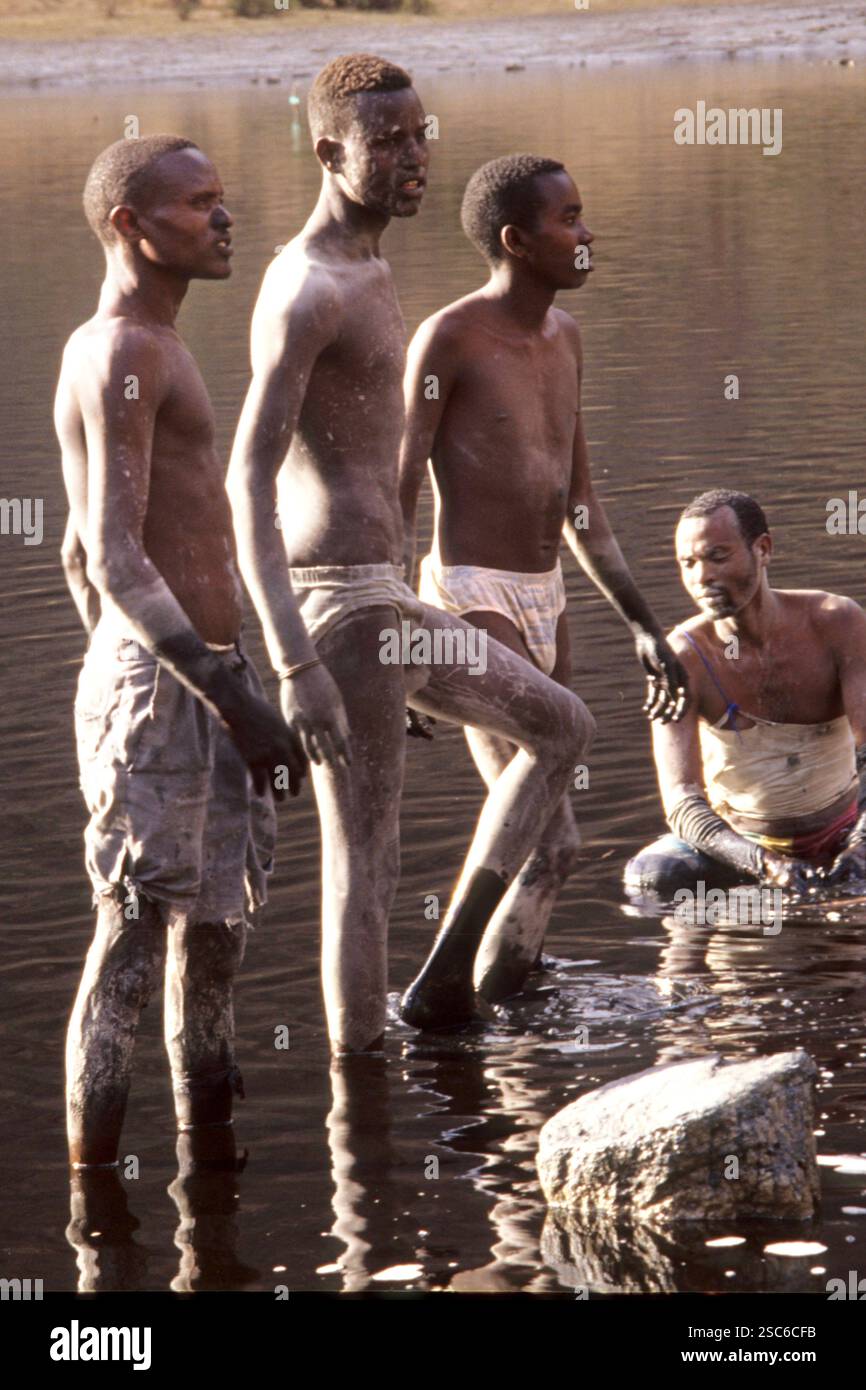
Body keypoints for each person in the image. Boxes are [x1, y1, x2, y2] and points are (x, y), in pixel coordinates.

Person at [227, 54, 602, 1051]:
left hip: (387, 604)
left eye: (418, 136)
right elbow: (244, 480)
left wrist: (398, 594)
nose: (411, 158)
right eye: (385, 142)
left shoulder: (372, 266)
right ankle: (360, 1089)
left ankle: (445, 981)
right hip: (335, 614)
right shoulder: (307, 289)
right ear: (326, 151)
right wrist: (293, 663)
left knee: (560, 730)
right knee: (368, 860)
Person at [55, 134, 333, 1169]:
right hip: (175, 685)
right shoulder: (120, 350)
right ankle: (95, 1205)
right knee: (131, 936)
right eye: (199, 204)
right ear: (130, 224)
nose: (225, 219)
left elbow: (80, 556)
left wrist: (228, 682)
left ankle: (208, 1189)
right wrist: (218, 693)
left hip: (200, 677)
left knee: (214, 938)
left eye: (223, 198)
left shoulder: (156, 346)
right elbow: (120, 555)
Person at [399, 154, 689, 998]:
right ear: (516, 241)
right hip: (470, 596)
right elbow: (401, 479)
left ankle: (503, 990)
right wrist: (403, 624)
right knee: (540, 820)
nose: (588, 234)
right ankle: (444, 981)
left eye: (584, 214)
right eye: (569, 221)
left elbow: (582, 502)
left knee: (557, 844)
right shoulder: (450, 337)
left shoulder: (567, 339)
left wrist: (640, 622)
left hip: (545, 597)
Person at [624, 489, 866, 898]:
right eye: (688, 564)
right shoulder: (681, 656)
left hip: (844, 829)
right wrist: (764, 863)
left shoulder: (837, 623)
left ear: (763, 550)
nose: (702, 578)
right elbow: (681, 800)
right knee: (651, 876)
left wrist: (861, 848)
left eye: (718, 557)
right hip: (743, 846)